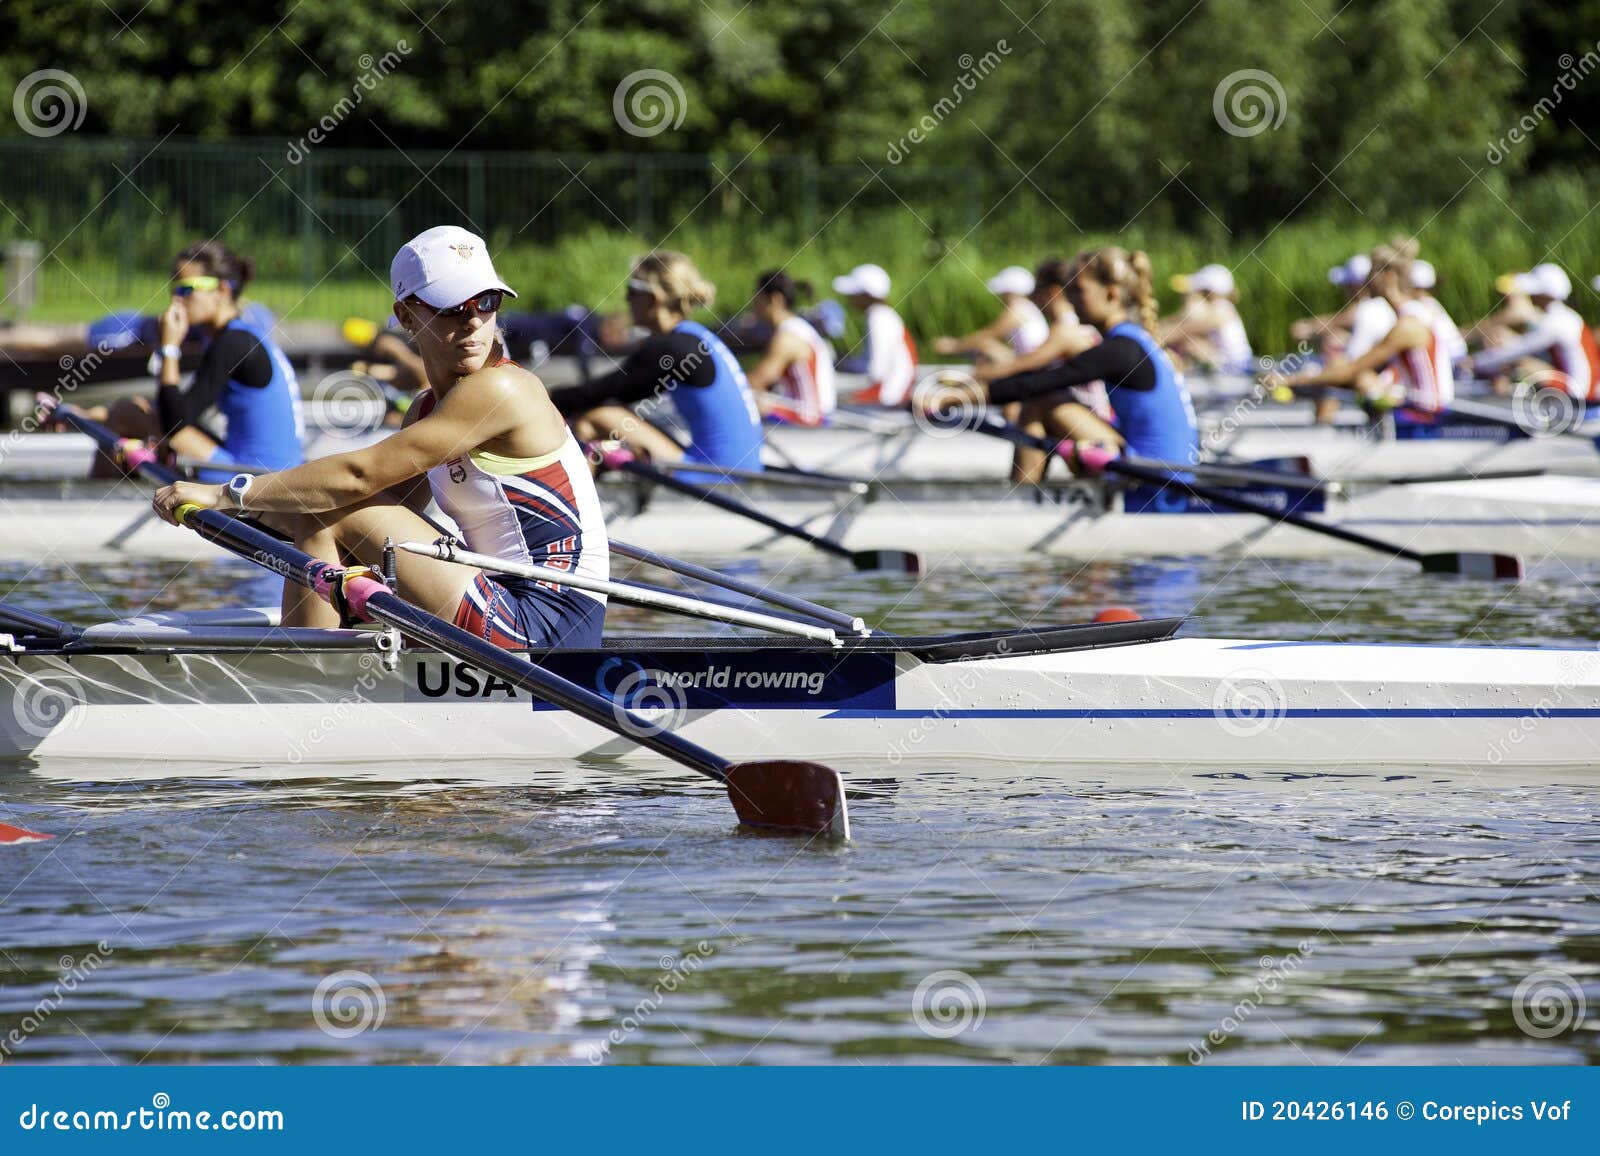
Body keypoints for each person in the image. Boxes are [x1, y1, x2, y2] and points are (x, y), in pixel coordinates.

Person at [149, 225, 608, 650]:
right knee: (324, 516)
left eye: (487, 302)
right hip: (502, 598)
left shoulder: (502, 388)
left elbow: (357, 477)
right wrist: (252, 511)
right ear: (405, 315)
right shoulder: (428, 409)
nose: (473, 321)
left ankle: (303, 675)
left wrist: (225, 494)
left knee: (333, 508)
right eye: (453, 306)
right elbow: (374, 516)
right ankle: (309, 659)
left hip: (547, 621)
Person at [925, 246, 1199, 485]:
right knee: (1044, 398)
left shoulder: (1120, 349)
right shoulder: (1133, 339)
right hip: (1157, 466)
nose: (1071, 299)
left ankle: (1021, 502)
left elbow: (1034, 383)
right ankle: (1026, 498)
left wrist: (952, 399)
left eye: (1079, 290)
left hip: (1157, 481)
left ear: (1111, 294)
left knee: (1040, 399)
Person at [55, 241, 302, 479]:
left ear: (221, 291)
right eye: (173, 289)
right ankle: (104, 472)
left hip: (257, 481)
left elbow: (174, 423)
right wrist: (93, 415)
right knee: (136, 409)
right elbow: (179, 411)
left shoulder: (233, 343)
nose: (176, 300)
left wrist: (169, 348)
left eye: (186, 289)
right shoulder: (241, 335)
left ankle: (96, 492)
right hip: (264, 471)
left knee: (130, 413)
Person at [551, 250, 765, 475]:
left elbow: (596, 392)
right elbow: (618, 393)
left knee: (594, 418)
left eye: (632, 291)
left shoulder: (671, 348)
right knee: (616, 412)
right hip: (744, 469)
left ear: (654, 298)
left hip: (717, 476)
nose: (626, 299)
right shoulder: (695, 336)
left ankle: (577, 495)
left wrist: (543, 396)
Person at [1282, 239, 1457, 416]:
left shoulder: (1409, 323)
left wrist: (1291, 381)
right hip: (1415, 408)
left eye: (1371, 273)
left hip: (1428, 417)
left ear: (1388, 276)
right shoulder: (1407, 313)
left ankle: (1325, 424)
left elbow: (1350, 370)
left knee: (1360, 378)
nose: (1365, 282)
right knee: (1356, 374)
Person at [1468, 264, 1600, 403]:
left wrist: (1474, 362)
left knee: (1523, 364)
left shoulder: (1557, 323)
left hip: (1581, 393)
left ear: (1545, 296)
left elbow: (1517, 349)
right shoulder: (1564, 317)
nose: (1530, 295)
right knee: (1512, 351)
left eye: (1534, 293)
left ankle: (1500, 393)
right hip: (1581, 386)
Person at [744, 270, 837, 426]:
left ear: (775, 299)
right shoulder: (799, 328)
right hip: (818, 417)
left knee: (752, 404)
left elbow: (756, 382)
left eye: (756, 296)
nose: (752, 303)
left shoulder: (787, 337)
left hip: (810, 421)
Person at [832, 263, 918, 406]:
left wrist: (841, 365)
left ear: (866, 295)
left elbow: (877, 371)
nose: (849, 298)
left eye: (853, 294)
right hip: (891, 392)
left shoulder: (878, 317)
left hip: (888, 397)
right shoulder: (884, 314)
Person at [931, 265, 1050, 365]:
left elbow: (989, 334)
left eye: (1004, 292)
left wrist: (953, 346)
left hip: (1034, 363)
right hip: (1030, 358)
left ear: (1009, 292)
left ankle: (980, 381)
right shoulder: (1027, 307)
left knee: (985, 346)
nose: (1001, 296)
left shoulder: (1019, 309)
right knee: (986, 347)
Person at [1158, 264, 1253, 374]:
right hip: (1230, 363)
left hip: (1237, 367)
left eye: (1199, 292)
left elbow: (1182, 329)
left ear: (1208, 292)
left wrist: (1156, 332)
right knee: (1190, 342)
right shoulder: (1218, 308)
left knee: (1189, 343)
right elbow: (1180, 322)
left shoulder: (1222, 308)